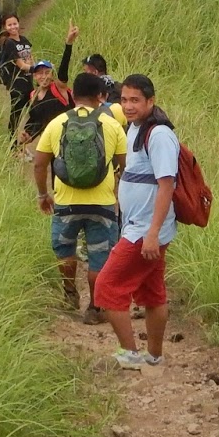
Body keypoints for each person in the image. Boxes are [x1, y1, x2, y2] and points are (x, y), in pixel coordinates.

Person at [91, 73, 178, 369]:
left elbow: (167, 185)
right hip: (138, 226)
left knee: (106, 286)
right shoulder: (135, 129)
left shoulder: (160, 135)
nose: (128, 106)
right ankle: (154, 356)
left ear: (150, 101)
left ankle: (130, 353)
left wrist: (152, 233)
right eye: (124, 99)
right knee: (152, 293)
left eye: (135, 100)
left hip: (145, 231)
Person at [34, 71, 128, 324]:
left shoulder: (57, 123)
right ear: (101, 96)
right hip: (103, 202)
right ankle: (95, 309)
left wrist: (43, 194)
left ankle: (69, 294)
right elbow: (124, 166)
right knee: (99, 255)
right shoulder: (112, 125)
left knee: (65, 250)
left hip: (66, 201)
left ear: (73, 95)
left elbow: (40, 163)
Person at [13, 23, 81, 143]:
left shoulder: (58, 88)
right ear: (34, 76)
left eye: (47, 72)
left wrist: (68, 44)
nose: (43, 76)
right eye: (39, 73)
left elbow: (64, 69)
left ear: (52, 75)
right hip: (52, 141)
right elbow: (37, 120)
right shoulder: (33, 95)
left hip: (70, 137)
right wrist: (28, 135)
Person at [0, 14, 35, 137]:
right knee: (16, 115)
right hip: (17, 84)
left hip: (28, 82)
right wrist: (36, 69)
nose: (13, 27)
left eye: (15, 23)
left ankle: (26, 139)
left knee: (35, 112)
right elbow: (20, 64)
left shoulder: (24, 40)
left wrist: (35, 68)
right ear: (5, 27)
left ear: (18, 23)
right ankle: (14, 147)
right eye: (9, 25)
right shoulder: (9, 43)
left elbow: (30, 58)